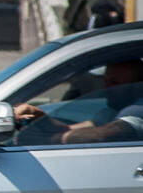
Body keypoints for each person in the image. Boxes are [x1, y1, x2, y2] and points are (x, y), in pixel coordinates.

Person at [14, 59, 143, 145]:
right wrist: (39, 116)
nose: (107, 89)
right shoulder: (111, 112)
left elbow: (104, 135)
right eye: (106, 81)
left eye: (115, 83)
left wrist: (50, 140)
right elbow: (70, 129)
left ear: (137, 85)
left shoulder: (138, 109)